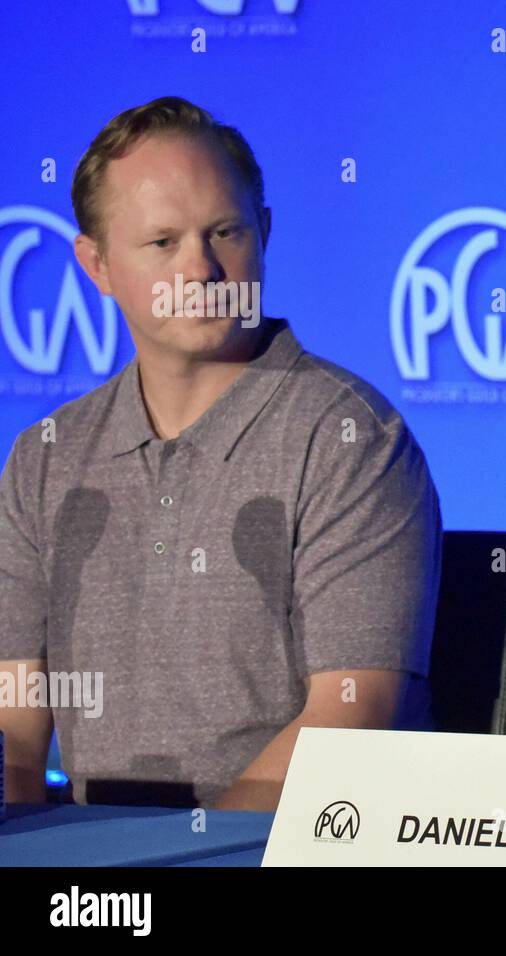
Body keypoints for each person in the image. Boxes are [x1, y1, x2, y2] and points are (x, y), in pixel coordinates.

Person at [0, 97, 440, 811]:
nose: (202, 270)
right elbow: (13, 725)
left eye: (225, 232)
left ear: (263, 232)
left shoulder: (350, 439)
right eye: (163, 242)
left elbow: (351, 716)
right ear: (97, 264)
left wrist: (176, 864)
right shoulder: (45, 458)